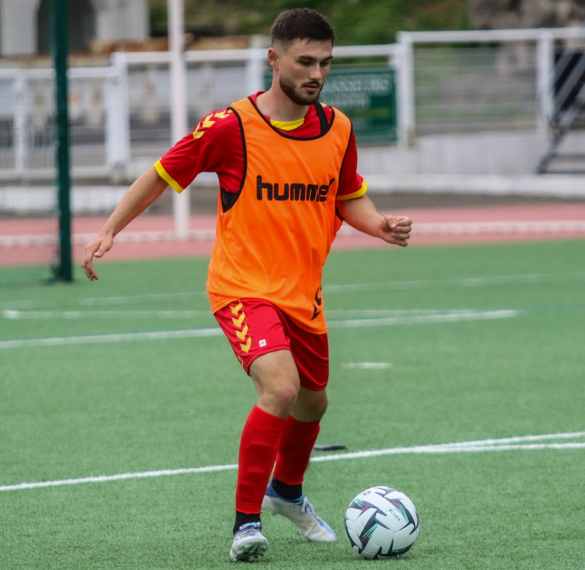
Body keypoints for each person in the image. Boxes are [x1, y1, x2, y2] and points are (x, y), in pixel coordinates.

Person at [80, 8, 413, 562]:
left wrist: (378, 224)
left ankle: (287, 493)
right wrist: (109, 229)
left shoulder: (338, 128)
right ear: (274, 59)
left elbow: (346, 194)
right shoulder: (231, 127)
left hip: (303, 295)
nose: (316, 73)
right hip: (241, 286)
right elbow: (161, 174)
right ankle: (245, 524)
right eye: (305, 61)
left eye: (325, 63)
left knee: (312, 404)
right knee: (280, 389)